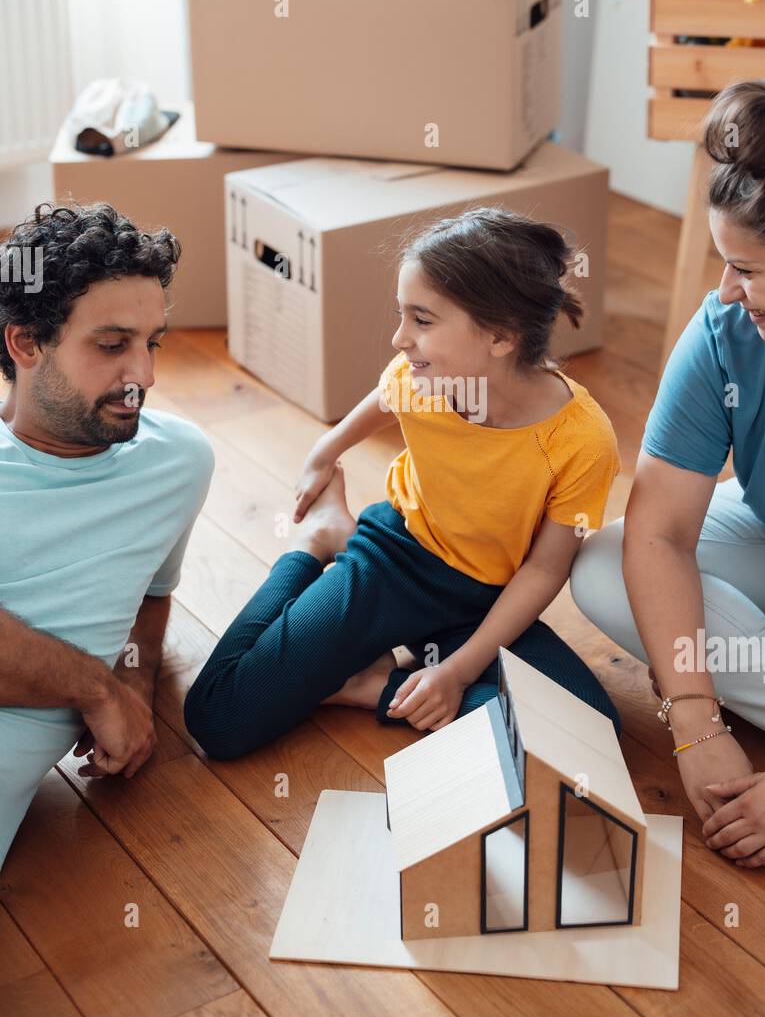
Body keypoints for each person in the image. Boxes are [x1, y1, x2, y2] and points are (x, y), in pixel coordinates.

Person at [184, 207, 621, 759]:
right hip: (394, 561)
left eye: (422, 319)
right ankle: (318, 541)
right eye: (401, 315)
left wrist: (458, 673)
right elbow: (382, 400)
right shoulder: (423, 378)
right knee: (217, 716)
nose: (399, 338)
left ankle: (376, 684)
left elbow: (544, 568)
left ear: (501, 336)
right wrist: (325, 453)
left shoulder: (583, 440)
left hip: (487, 602)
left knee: (591, 729)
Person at [570, 77, 765, 867]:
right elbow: (661, 533)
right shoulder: (726, 334)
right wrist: (694, 724)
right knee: (604, 560)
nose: (727, 291)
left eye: (748, 269)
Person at [0, 202, 214, 871]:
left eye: (152, 343)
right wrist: (95, 690)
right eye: (112, 344)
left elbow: (150, 593)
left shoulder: (177, 463)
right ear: (27, 342)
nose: (143, 378)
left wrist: (136, 686)